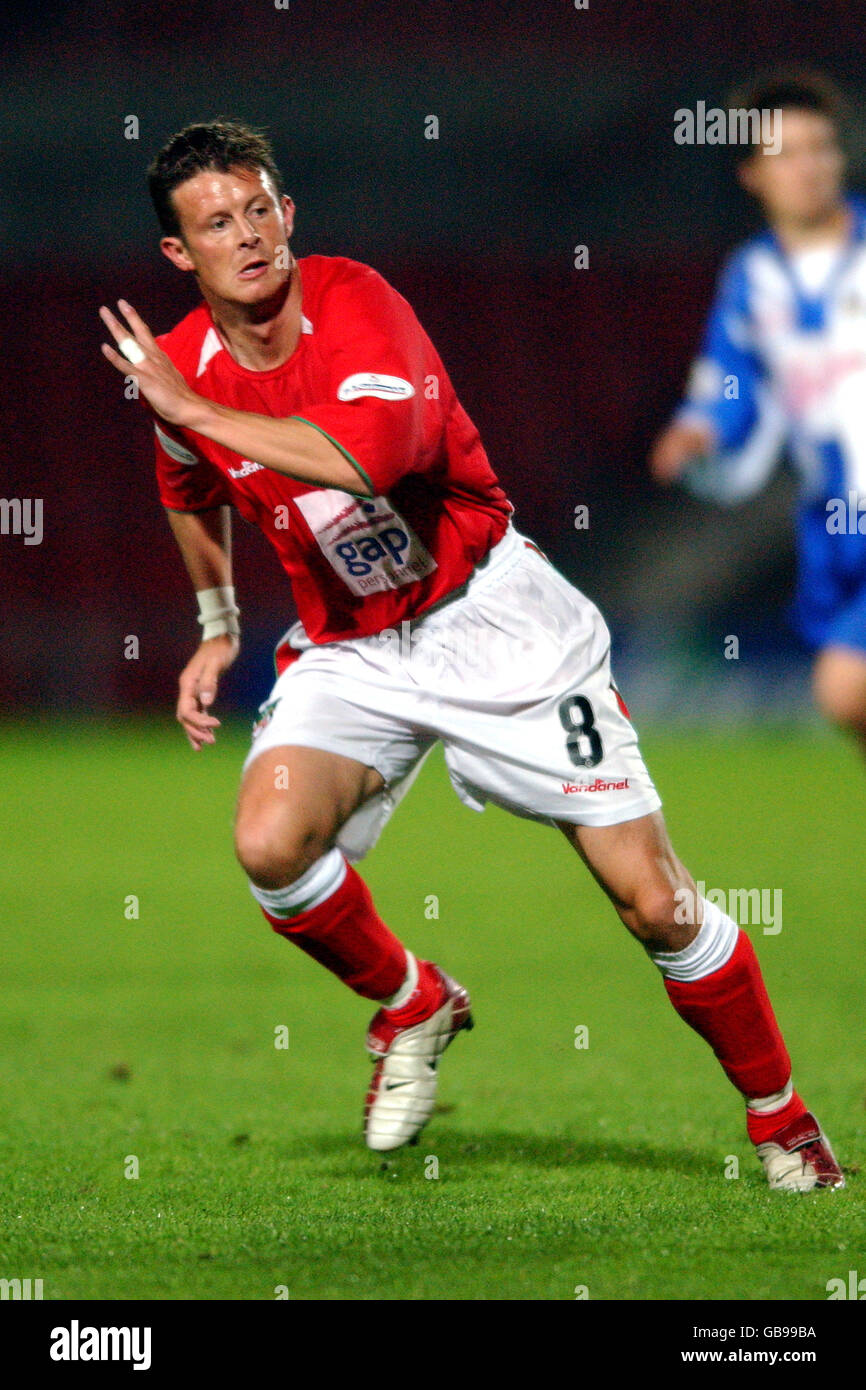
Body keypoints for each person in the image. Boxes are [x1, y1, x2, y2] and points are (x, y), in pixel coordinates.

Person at [99, 119, 843, 1190]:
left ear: (289, 211)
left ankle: (780, 1120)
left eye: (261, 208)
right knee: (269, 842)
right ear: (180, 254)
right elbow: (186, 484)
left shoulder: (357, 305)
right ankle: (412, 999)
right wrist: (217, 625)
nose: (248, 234)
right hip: (356, 646)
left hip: (492, 619)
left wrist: (195, 409)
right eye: (217, 223)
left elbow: (373, 457)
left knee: (652, 899)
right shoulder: (181, 372)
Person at [651, 70, 866, 756]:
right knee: (848, 697)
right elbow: (731, 384)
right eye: (787, 152)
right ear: (751, 171)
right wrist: (699, 429)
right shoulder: (752, 277)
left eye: (820, 147)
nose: (808, 167)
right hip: (835, 527)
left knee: (844, 686)